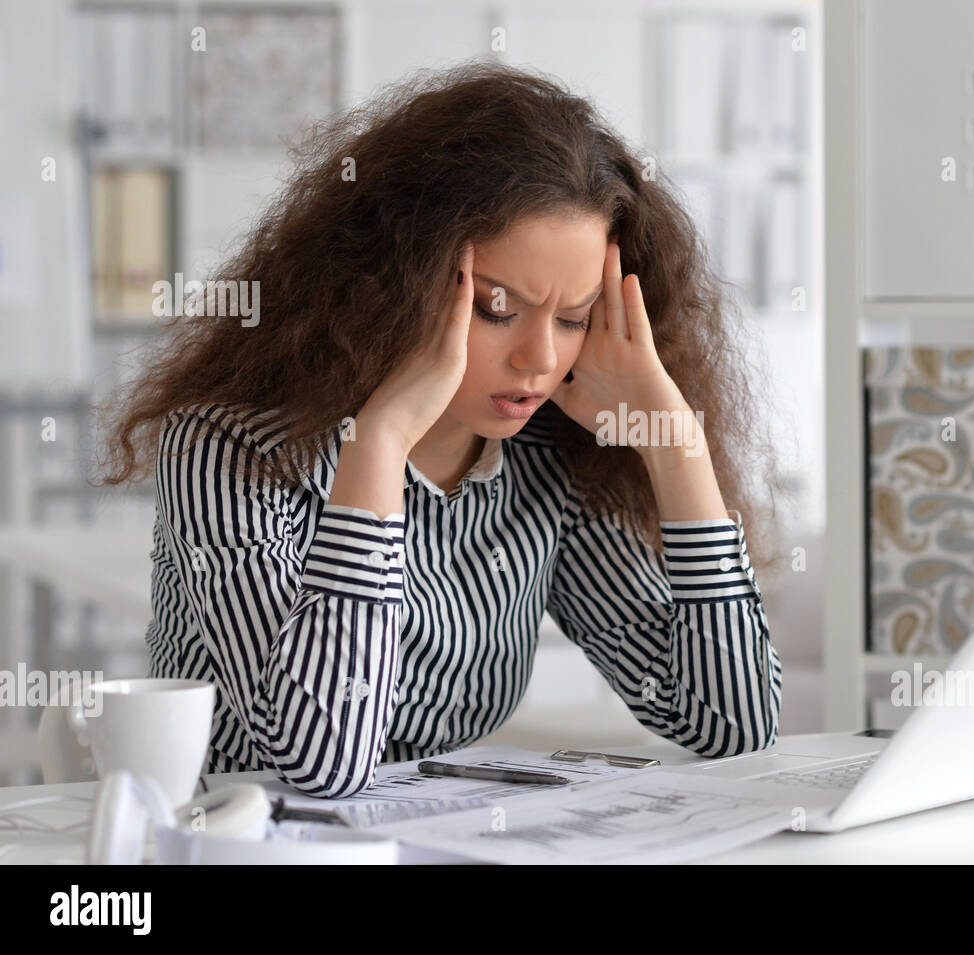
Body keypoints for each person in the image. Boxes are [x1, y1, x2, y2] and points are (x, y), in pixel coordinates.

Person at [96, 61, 785, 798]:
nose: (539, 357)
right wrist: (380, 444)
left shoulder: (544, 461)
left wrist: (674, 442)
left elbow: (732, 723)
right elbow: (320, 762)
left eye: (574, 319)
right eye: (497, 307)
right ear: (394, 284)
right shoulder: (228, 450)